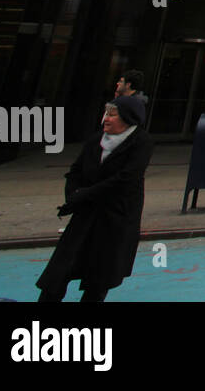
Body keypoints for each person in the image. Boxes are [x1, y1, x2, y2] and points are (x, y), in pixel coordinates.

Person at [37, 95, 153, 302]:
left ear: (128, 117)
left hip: (115, 218)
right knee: (59, 272)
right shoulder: (95, 140)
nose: (106, 119)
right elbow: (75, 171)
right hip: (86, 214)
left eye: (112, 114)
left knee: (99, 277)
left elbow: (125, 179)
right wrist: (72, 194)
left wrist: (84, 195)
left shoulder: (140, 142)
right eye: (105, 114)